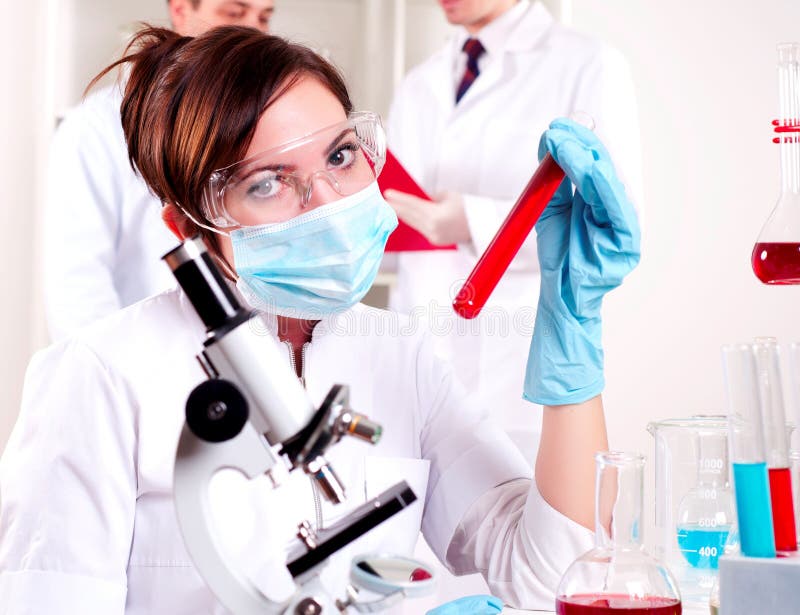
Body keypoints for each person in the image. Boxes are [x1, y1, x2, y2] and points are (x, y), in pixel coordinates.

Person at [0, 25, 640, 614]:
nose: (328, 206)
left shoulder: (398, 353)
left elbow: (554, 571)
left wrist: (571, 334)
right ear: (186, 231)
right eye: (266, 183)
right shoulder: (102, 374)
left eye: (339, 157)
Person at [384, 0, 642, 460]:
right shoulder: (419, 81)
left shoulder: (587, 63)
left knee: (535, 517)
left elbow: (611, 224)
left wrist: (469, 221)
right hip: (417, 356)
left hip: (516, 367)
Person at [43, 0, 275, 341]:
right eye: (234, 13)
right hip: (143, 359)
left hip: (251, 354)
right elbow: (76, 285)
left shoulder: (265, 120)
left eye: (264, 17)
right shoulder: (95, 128)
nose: (253, 30)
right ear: (181, 10)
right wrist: (126, 375)